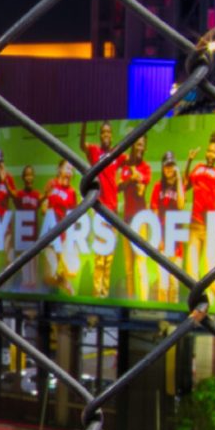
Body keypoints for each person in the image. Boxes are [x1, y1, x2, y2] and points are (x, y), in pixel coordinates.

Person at [84, 123, 121, 298]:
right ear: (100, 135)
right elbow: (82, 145)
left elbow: (129, 159)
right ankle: (96, 293)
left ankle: (104, 294)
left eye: (108, 132)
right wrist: (84, 124)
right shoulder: (94, 152)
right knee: (100, 255)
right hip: (100, 208)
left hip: (113, 210)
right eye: (103, 132)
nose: (106, 134)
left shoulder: (115, 154)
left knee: (110, 258)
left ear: (111, 135)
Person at [114, 134, 152, 301]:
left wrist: (133, 173)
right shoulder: (125, 168)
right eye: (136, 144)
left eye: (141, 145)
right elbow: (118, 187)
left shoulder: (146, 167)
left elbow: (141, 189)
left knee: (141, 264)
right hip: (127, 220)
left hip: (140, 221)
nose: (139, 147)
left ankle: (143, 301)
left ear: (144, 148)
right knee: (128, 267)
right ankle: (131, 301)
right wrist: (130, 177)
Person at [148, 151, 186, 302]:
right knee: (163, 285)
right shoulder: (158, 187)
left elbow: (182, 204)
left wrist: (179, 179)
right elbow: (154, 213)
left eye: (172, 166)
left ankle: (173, 322)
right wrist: (158, 238)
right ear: (163, 168)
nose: (169, 169)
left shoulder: (179, 186)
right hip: (163, 240)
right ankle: (162, 320)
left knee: (174, 285)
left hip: (176, 241)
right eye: (166, 166)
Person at [186, 140, 215, 281]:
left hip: (209, 225)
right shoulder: (198, 168)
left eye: (214, 152)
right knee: (191, 272)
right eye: (209, 151)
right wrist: (189, 161)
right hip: (195, 224)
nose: (210, 154)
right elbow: (187, 183)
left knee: (210, 270)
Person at [44, 160, 80, 295]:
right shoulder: (51, 184)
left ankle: (64, 280)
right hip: (49, 236)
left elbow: (74, 216)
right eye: (67, 168)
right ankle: (63, 283)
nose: (70, 171)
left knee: (72, 269)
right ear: (60, 169)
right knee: (49, 277)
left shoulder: (72, 192)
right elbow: (44, 206)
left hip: (63, 237)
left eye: (72, 169)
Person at [15, 165, 45, 291]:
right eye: (26, 175)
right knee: (25, 269)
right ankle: (25, 290)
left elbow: (43, 205)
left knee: (34, 266)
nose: (29, 178)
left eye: (31, 175)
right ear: (23, 178)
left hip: (34, 236)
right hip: (23, 238)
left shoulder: (37, 195)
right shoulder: (20, 194)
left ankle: (33, 292)